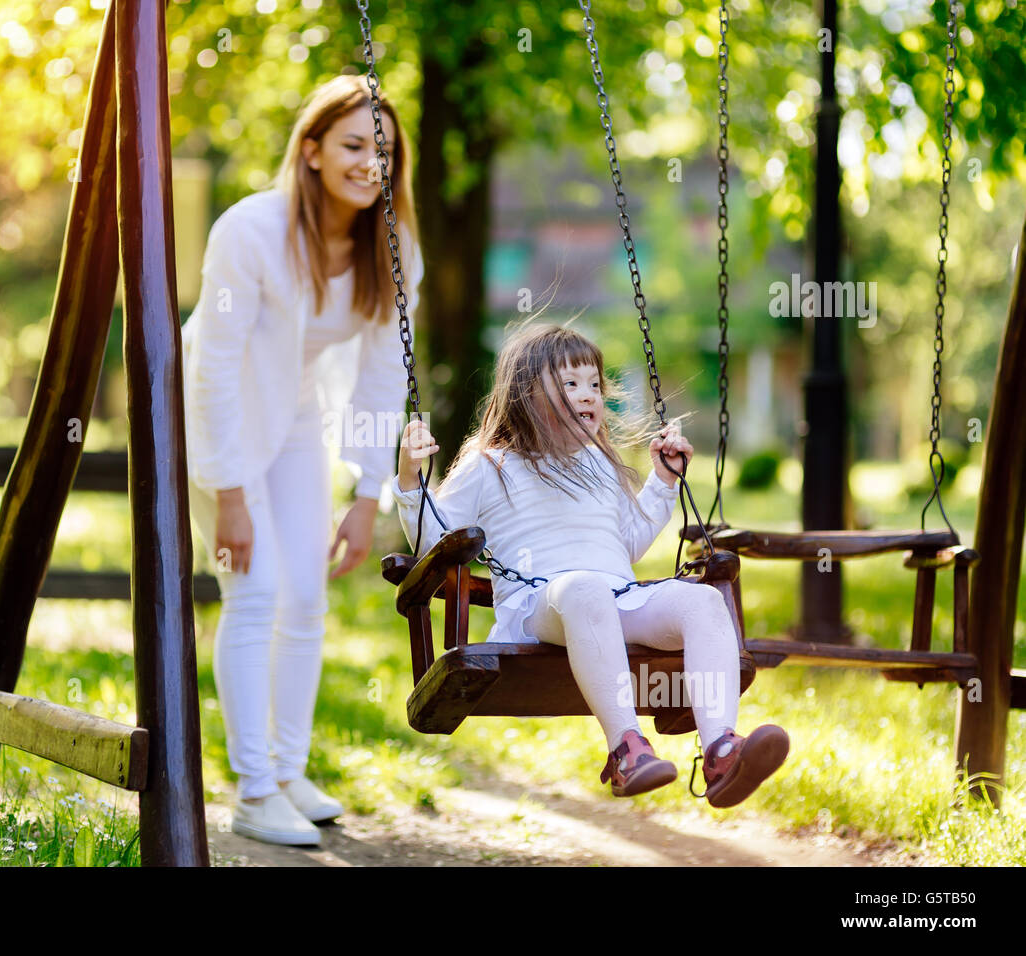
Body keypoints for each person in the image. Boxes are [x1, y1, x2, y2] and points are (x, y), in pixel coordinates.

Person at [392, 324, 788, 807]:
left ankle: (721, 751)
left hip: (615, 599)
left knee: (703, 602)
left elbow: (629, 543)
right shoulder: (488, 464)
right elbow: (436, 539)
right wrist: (411, 479)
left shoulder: (600, 462)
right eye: (570, 384)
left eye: (594, 384)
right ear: (524, 394)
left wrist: (663, 482)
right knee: (583, 590)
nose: (588, 395)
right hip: (539, 610)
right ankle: (626, 749)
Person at [182, 75, 424, 846]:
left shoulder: (392, 247)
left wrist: (364, 495)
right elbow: (214, 367)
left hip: (294, 423)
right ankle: (253, 790)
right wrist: (227, 493)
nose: (369, 164)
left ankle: (287, 771)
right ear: (312, 150)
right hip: (216, 421)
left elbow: (386, 375)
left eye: (384, 152)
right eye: (354, 146)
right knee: (254, 593)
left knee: (307, 600)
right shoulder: (249, 231)